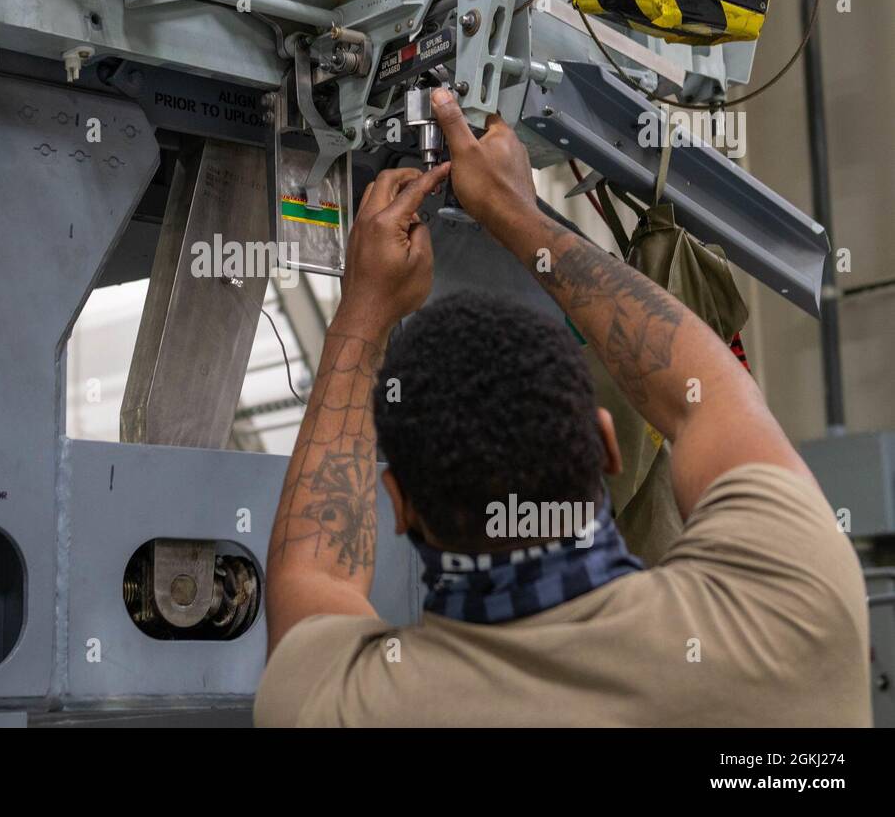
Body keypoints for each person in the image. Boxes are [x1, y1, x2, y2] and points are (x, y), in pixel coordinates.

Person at [255, 89, 870, 727]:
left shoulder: (338, 705)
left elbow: (314, 573)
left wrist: (366, 307)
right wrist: (516, 212)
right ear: (607, 446)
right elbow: (706, 391)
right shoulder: (794, 613)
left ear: (400, 505)